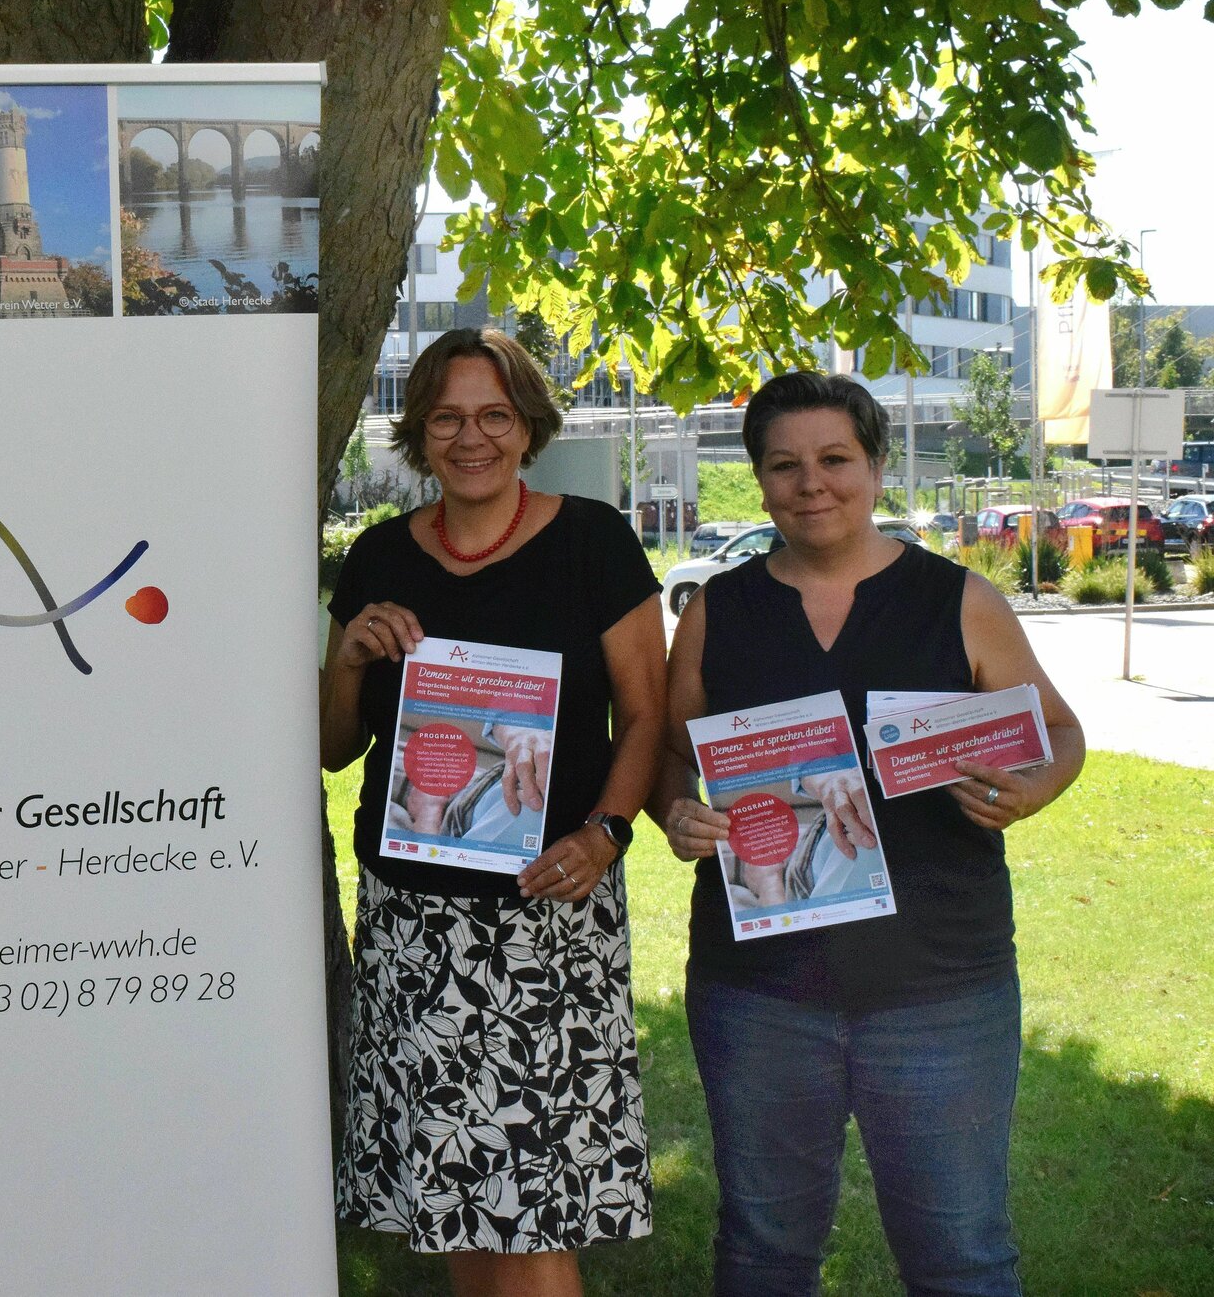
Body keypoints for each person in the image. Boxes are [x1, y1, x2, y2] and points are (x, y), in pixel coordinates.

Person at [653, 371, 1085, 1297]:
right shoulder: (715, 611)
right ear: (760, 480)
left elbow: (1061, 730)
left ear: (877, 467)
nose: (813, 483)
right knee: (763, 1252)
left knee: (962, 1256)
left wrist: (1029, 791)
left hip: (940, 988)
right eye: (786, 465)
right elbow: (664, 749)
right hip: (759, 989)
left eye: (835, 459)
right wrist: (677, 811)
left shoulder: (959, 600)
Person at [323, 327, 665, 1297]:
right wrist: (347, 660)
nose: (468, 438)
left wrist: (605, 831)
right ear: (419, 434)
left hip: (545, 913)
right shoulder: (380, 556)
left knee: (527, 1203)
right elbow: (332, 746)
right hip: (412, 921)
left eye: (491, 417)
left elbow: (645, 714)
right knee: (458, 1197)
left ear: (526, 429)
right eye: (445, 418)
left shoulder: (592, 540)